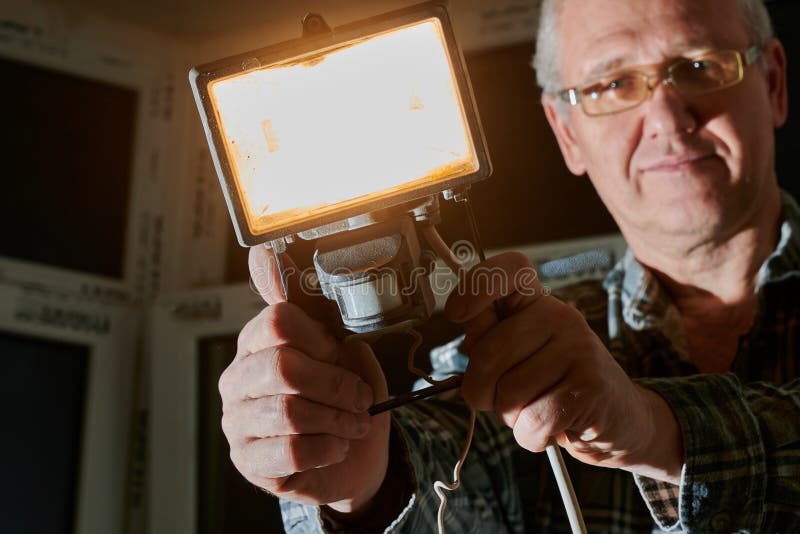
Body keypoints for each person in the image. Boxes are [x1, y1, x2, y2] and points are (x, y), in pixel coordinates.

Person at [217, 0, 800, 531]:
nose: (668, 116)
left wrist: (652, 429)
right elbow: (456, 467)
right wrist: (364, 481)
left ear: (774, 84)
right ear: (565, 133)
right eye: (614, 83)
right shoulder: (519, 332)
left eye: (700, 66)